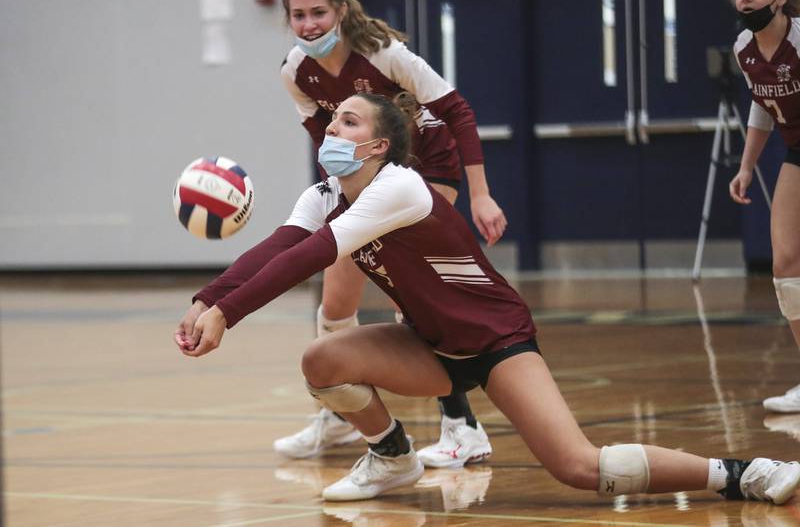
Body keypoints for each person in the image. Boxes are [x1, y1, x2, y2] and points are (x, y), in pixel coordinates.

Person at [175, 93, 800, 504]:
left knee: (578, 467)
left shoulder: (399, 189)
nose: (330, 128)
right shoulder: (323, 195)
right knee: (322, 359)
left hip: (496, 338)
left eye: (347, 121)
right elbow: (278, 246)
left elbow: (310, 257)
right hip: (430, 344)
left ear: (377, 145)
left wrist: (229, 315)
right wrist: (208, 299)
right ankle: (391, 456)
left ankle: (740, 472)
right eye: (332, 118)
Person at [275, 0, 506, 464]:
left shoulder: (384, 54)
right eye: (298, 15)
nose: (309, 24)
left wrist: (481, 194)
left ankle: (463, 427)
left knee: (412, 293)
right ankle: (340, 416)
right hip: (365, 178)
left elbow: (458, 111)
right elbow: (328, 141)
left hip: (425, 173)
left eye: (318, 12)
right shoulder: (296, 71)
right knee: (336, 298)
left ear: (341, 10)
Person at [730, 0, 800, 413]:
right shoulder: (744, 48)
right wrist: (745, 166)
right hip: (796, 151)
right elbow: (762, 104)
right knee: (785, 264)